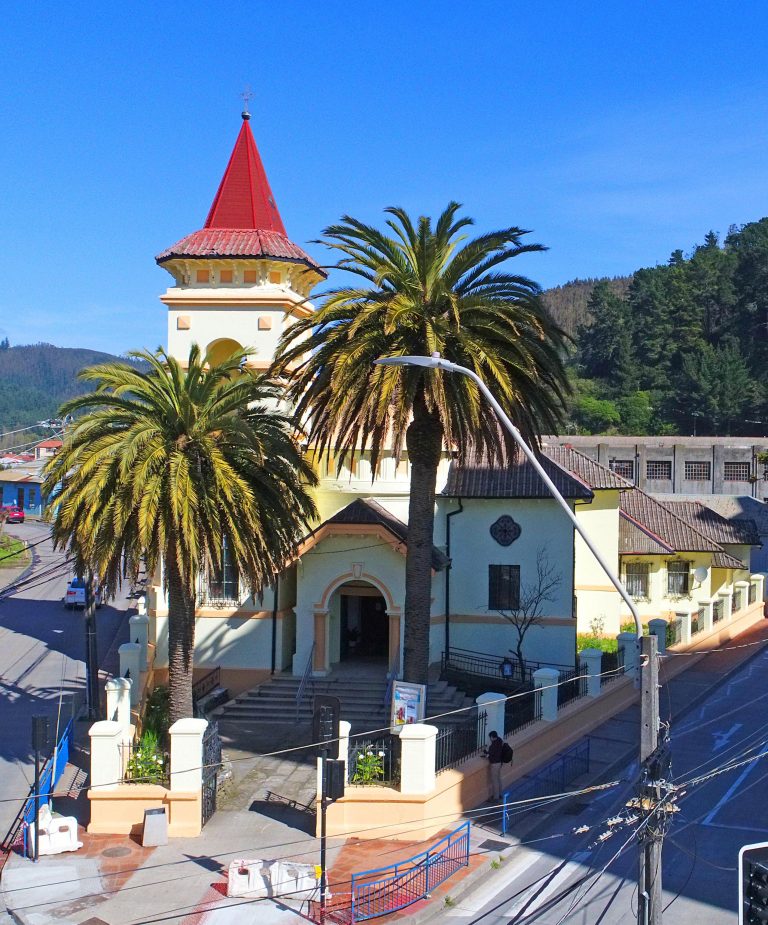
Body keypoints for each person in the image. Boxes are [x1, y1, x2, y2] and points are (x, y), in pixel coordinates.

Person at [487, 730, 504, 801]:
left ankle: (495, 797)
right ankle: (500, 794)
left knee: (495, 780)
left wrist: (487, 755)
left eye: (490, 737)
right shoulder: (500, 741)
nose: (490, 739)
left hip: (495, 763)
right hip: (500, 762)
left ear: (492, 737)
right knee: (498, 779)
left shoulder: (493, 746)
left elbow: (491, 755)